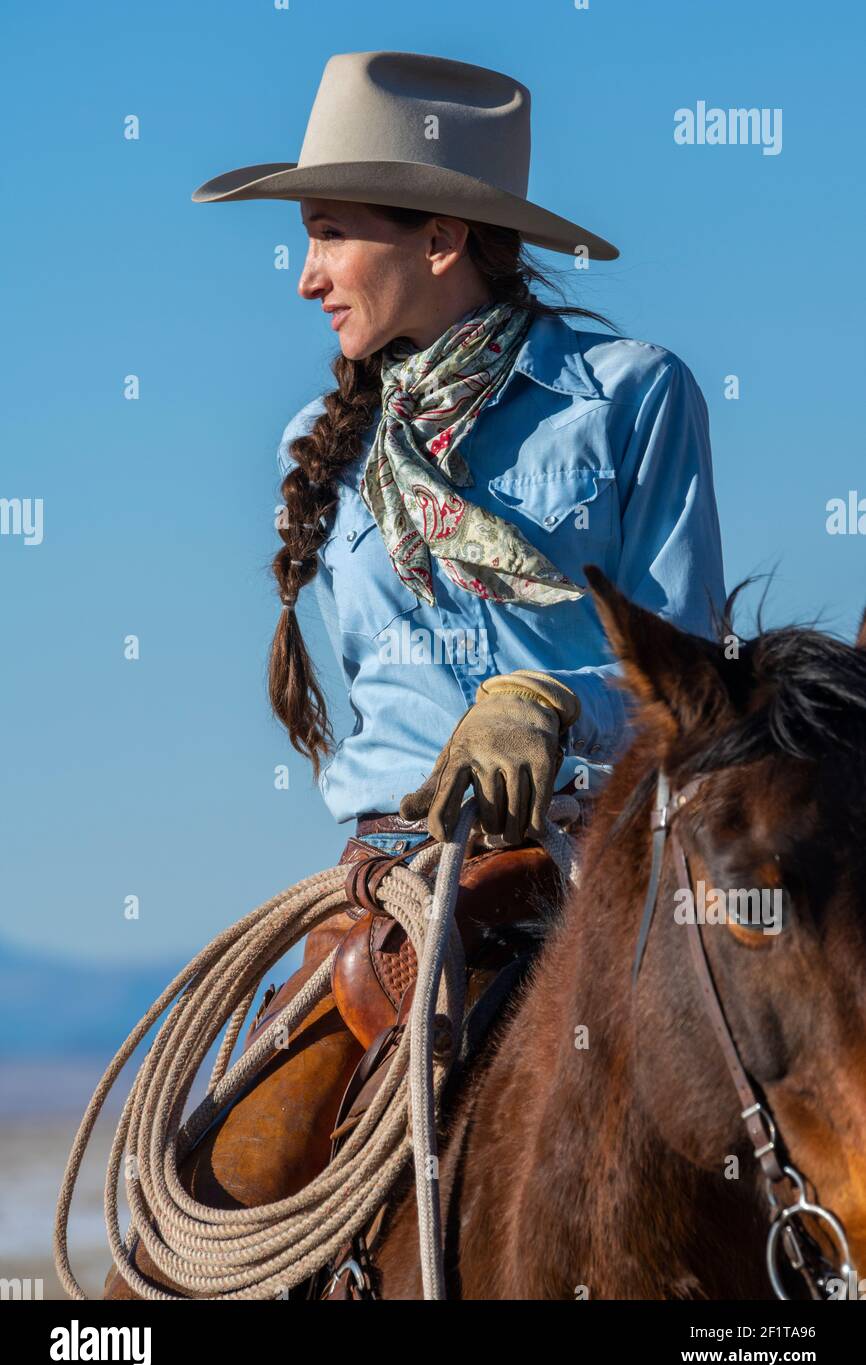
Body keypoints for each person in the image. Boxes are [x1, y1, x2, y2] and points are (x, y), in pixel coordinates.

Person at [190, 48, 726, 1238]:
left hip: (592, 885)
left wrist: (553, 700)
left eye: (327, 234)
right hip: (391, 899)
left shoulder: (631, 397)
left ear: (438, 238)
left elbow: (694, 679)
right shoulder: (311, 447)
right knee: (210, 1198)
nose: (306, 277)